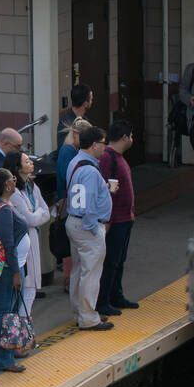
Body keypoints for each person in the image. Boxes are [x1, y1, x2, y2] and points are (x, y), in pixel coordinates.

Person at [66, 127, 113, 332]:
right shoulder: (91, 171)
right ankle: (88, 318)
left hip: (73, 222)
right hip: (86, 226)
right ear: (94, 145)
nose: (105, 147)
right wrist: (95, 228)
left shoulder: (75, 162)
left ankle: (79, 312)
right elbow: (88, 204)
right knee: (91, 272)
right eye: (103, 142)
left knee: (79, 269)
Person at [0, 168, 27, 373]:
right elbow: (8, 245)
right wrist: (16, 272)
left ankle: (9, 351)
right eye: (13, 179)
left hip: (9, 267)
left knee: (7, 310)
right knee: (3, 312)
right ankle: (4, 359)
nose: (15, 181)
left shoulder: (0, 205)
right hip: (7, 269)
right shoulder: (4, 210)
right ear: (6, 185)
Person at [97, 120, 138, 317]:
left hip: (125, 218)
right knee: (111, 261)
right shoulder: (107, 158)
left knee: (119, 260)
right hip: (115, 220)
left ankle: (116, 295)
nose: (132, 140)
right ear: (124, 137)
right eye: (131, 136)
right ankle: (103, 300)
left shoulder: (117, 157)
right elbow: (106, 191)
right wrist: (107, 221)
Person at [5, 149, 51, 324]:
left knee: (30, 290)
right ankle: (20, 334)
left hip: (32, 239)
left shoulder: (32, 186)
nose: (31, 163)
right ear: (17, 167)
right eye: (26, 161)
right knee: (25, 291)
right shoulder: (15, 193)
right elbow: (30, 219)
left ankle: (23, 334)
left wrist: (36, 213)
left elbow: (45, 212)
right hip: (22, 243)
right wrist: (36, 214)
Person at [55, 117, 91, 292]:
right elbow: (69, 179)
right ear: (76, 135)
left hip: (69, 200)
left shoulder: (69, 150)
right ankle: (69, 280)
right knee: (71, 245)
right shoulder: (68, 152)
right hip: (68, 202)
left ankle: (70, 280)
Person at [57, 82, 94, 147]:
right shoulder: (66, 124)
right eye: (91, 99)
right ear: (85, 104)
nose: (92, 101)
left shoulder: (84, 118)